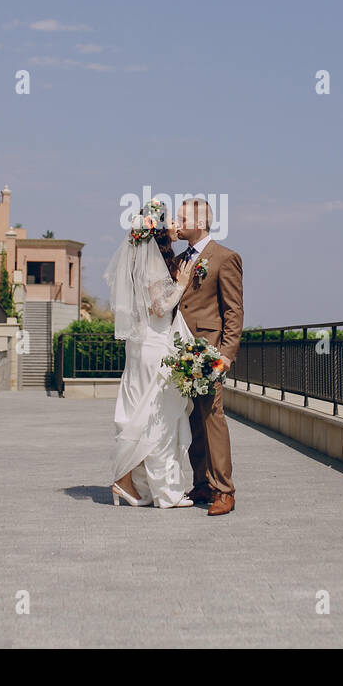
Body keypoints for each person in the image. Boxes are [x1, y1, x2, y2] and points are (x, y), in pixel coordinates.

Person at [103, 203, 196, 509]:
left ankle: (127, 482)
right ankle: (163, 492)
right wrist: (181, 286)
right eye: (169, 220)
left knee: (137, 413)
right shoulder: (154, 265)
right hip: (154, 346)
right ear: (158, 232)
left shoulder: (134, 264)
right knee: (159, 417)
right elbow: (160, 308)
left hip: (138, 347)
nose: (174, 224)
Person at [175, 197, 243, 517]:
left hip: (209, 351)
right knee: (193, 419)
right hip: (182, 353)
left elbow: (233, 311)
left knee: (212, 418)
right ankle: (201, 482)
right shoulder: (179, 261)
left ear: (200, 223)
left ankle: (223, 490)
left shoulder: (225, 258)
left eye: (182, 217)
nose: (177, 222)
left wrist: (226, 354)